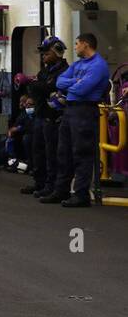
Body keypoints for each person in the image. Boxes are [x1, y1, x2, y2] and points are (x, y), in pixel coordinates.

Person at [45, 32, 110, 208]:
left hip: (85, 110)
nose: (75, 47)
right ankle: (61, 190)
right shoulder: (79, 64)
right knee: (63, 152)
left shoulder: (98, 66)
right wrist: (75, 81)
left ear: (85, 45)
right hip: (70, 110)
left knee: (82, 153)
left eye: (76, 44)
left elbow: (82, 90)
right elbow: (59, 82)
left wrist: (72, 86)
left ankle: (81, 195)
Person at [29, 36, 69, 199]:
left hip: (54, 118)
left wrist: (38, 85)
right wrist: (39, 87)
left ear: (56, 53)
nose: (43, 56)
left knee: (53, 153)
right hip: (41, 114)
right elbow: (38, 88)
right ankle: (41, 183)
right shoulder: (46, 71)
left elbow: (48, 87)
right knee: (38, 151)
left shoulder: (64, 71)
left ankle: (52, 186)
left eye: (47, 53)